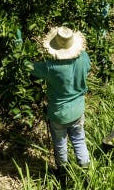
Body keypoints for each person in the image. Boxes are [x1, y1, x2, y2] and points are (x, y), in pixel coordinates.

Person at [29, 26, 92, 176]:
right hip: (78, 110)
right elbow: (87, 69)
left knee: (60, 143)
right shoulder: (84, 58)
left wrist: (19, 50)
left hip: (59, 113)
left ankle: (62, 174)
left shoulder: (51, 67)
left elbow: (29, 67)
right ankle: (86, 174)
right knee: (79, 140)